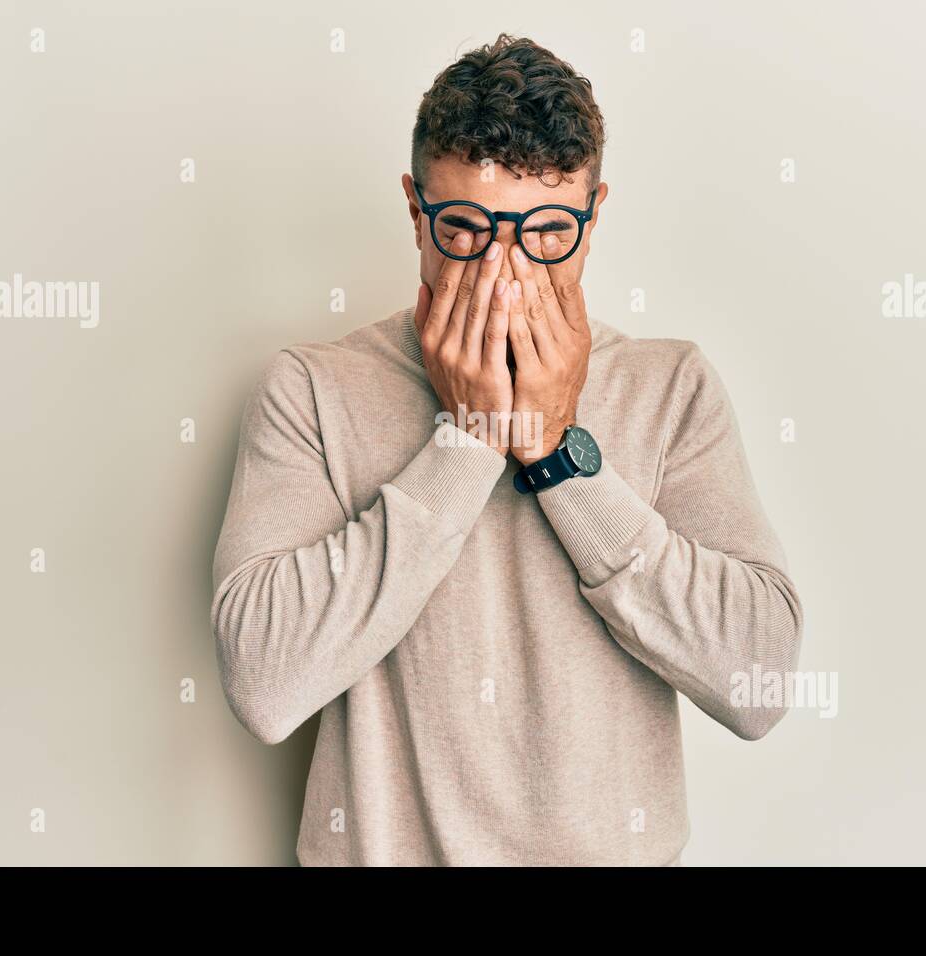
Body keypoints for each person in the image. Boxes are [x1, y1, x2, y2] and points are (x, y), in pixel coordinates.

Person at [210, 33, 803, 866]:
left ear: (592, 222)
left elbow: (760, 682)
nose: (505, 271)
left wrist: (559, 453)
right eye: (465, 229)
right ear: (416, 214)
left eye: (546, 232)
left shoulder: (671, 386)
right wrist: (470, 439)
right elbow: (266, 684)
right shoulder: (311, 388)